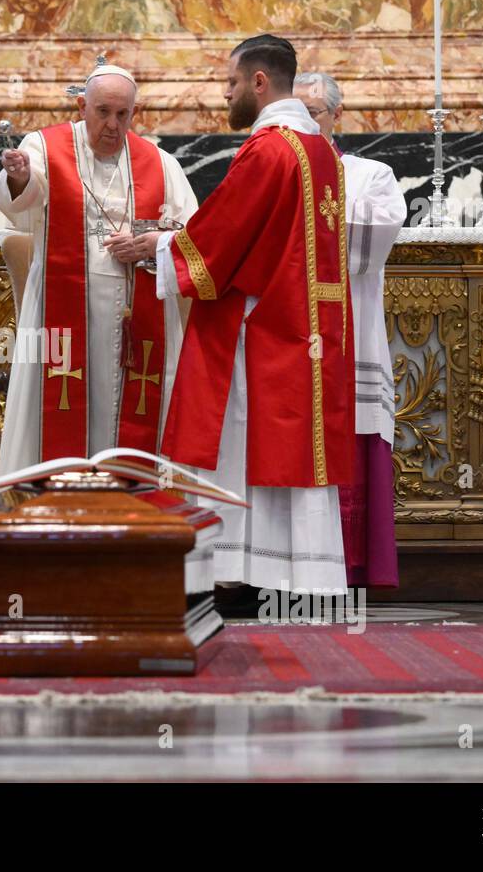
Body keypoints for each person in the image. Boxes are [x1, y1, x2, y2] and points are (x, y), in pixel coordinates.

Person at [156, 34, 355, 597]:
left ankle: (238, 575)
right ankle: (296, 576)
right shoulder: (320, 152)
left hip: (259, 329)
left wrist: (155, 252)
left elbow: (221, 240)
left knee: (242, 446)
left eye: (232, 81)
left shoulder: (269, 150)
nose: (226, 92)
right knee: (289, 453)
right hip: (304, 328)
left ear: (260, 82)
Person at [0, 60, 198, 473]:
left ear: (133, 114)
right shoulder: (45, 147)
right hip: (64, 311)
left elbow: (190, 234)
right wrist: (18, 177)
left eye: (123, 114)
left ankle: (134, 510)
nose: (112, 124)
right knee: (61, 408)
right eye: (102, 112)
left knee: (131, 407)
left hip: (137, 318)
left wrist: (149, 244)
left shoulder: (159, 164)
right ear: (83, 106)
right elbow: (22, 200)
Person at [296, 71, 407, 588]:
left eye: (312, 114)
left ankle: (352, 569)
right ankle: (289, 570)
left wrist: (297, 219)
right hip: (288, 343)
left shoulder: (371, 175)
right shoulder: (269, 170)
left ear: (337, 116)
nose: (301, 125)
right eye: (293, 115)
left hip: (351, 336)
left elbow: (372, 242)